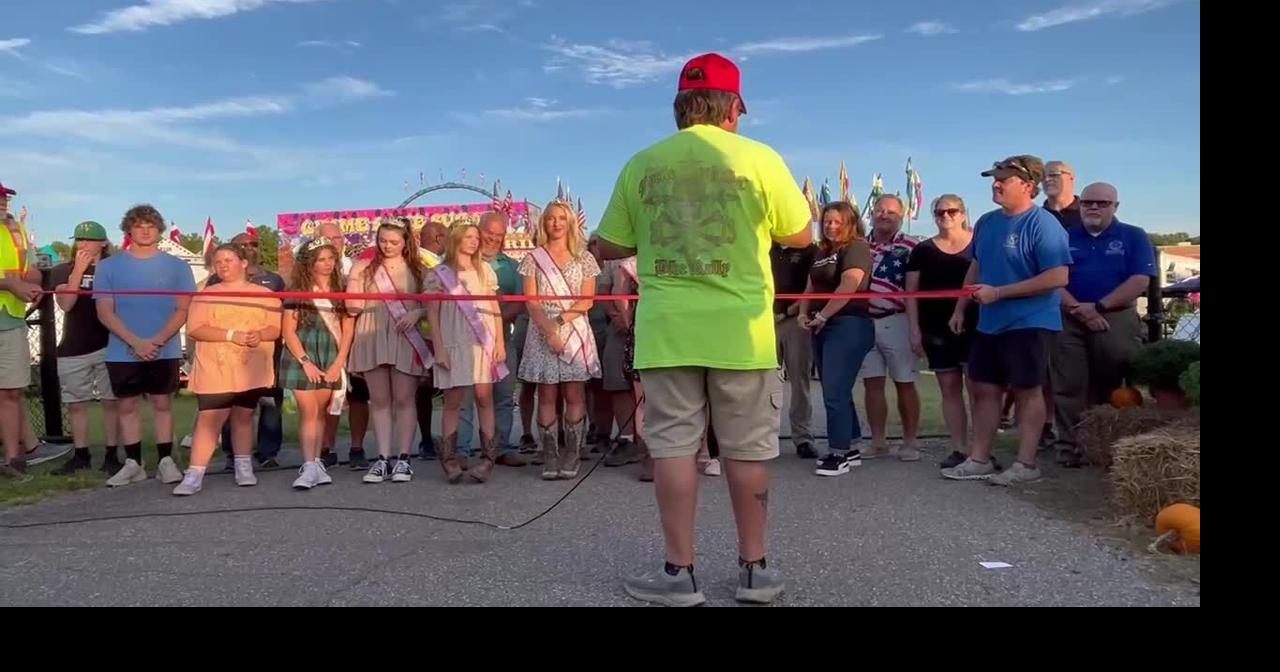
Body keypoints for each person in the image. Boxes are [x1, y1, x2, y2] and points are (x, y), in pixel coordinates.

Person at [597, 53, 813, 606]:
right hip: (742, 331)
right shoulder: (760, 159)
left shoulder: (643, 162)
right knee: (747, 451)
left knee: (673, 449)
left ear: (680, 107)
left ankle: (679, 573)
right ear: (733, 107)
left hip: (669, 329)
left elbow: (611, 244)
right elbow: (800, 234)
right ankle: (754, 570)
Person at [942, 155, 1072, 486]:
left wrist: (999, 293)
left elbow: (1058, 276)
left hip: (1031, 321)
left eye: (1004, 179)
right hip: (989, 322)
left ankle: (1026, 464)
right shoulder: (987, 222)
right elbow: (976, 266)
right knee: (984, 388)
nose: (996, 184)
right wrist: (960, 307)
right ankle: (980, 459)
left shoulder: (1044, 224)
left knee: (1027, 390)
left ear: (1028, 185)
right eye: (994, 179)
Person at [1052, 182, 1156, 466]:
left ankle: (1112, 446)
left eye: (1102, 203)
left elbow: (1139, 281)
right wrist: (1080, 310)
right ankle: (1069, 447)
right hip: (1069, 315)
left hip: (1115, 316)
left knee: (1115, 383)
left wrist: (1099, 307)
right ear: (1080, 205)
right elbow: (1053, 278)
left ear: (1115, 206)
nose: (1094, 207)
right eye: (1088, 202)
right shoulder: (1064, 237)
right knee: (1068, 384)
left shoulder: (1133, 235)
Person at [95, 204, 196, 487]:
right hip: (122, 350)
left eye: (150, 225)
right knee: (127, 406)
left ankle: (166, 461)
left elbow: (183, 309)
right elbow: (104, 311)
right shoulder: (108, 267)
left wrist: (157, 341)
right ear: (129, 230)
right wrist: (135, 342)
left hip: (164, 348)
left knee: (162, 403)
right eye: (139, 226)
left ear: (159, 230)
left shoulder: (178, 267)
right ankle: (133, 463)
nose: (145, 231)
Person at [172, 244, 282, 495]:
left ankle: (243, 466)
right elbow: (196, 328)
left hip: (250, 368)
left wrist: (259, 335)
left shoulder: (265, 294)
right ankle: (194, 474)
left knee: (244, 416)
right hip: (215, 368)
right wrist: (232, 335)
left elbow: (275, 329)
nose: (222, 265)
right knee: (210, 419)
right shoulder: (205, 294)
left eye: (228, 260)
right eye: (218, 261)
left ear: (243, 263)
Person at [519, 201, 600, 480]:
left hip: (573, 328)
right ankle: (550, 454)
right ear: (544, 222)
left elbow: (587, 300)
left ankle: (572, 453)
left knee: (574, 393)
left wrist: (559, 324)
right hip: (541, 329)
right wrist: (548, 330)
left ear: (570, 223)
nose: (556, 223)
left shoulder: (584, 258)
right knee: (546, 395)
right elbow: (531, 300)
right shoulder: (533, 258)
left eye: (562, 218)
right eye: (551, 218)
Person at [348, 221, 429, 484]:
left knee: (404, 399)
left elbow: (435, 304)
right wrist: (354, 275)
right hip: (372, 335)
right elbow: (352, 307)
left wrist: (419, 312)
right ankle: (383, 458)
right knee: (379, 400)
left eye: (394, 242)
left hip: (405, 336)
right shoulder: (365, 268)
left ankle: (404, 458)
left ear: (406, 242)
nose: (387, 246)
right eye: (383, 240)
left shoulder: (419, 269)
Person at [426, 223, 506, 483]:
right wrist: (439, 348)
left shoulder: (485, 270)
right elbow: (432, 314)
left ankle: (488, 459)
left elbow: (494, 308)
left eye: (476, 237)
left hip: (482, 342)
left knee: (484, 397)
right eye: (469, 237)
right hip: (453, 340)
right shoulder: (438, 274)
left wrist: (500, 342)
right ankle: (449, 459)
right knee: (453, 400)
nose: (474, 241)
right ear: (457, 239)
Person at [906, 195, 982, 469]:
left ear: (963, 213)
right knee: (949, 388)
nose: (946, 216)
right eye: (940, 212)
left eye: (952, 211)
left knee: (978, 389)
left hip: (976, 325)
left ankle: (981, 449)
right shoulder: (922, 250)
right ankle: (959, 448)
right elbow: (910, 293)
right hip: (936, 328)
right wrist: (914, 330)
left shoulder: (979, 245)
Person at [800, 202, 875, 477]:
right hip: (822, 325)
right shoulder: (822, 252)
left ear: (849, 223)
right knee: (836, 388)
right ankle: (852, 445)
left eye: (837, 222)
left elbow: (849, 284)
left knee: (834, 391)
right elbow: (810, 286)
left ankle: (838, 453)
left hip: (848, 324)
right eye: (827, 221)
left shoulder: (856, 248)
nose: (831, 226)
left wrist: (824, 315)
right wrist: (803, 313)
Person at [49, 221, 126, 475]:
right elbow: (66, 304)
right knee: (76, 403)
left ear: (103, 243)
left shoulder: (114, 269)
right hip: (74, 345)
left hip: (109, 343)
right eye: (79, 240)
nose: (83, 245)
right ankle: (81, 455)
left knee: (110, 401)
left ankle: (112, 454)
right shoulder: (63, 270)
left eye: (89, 240)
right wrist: (78, 271)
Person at [279, 238, 354, 489]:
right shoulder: (297, 291)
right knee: (308, 412)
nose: (327, 264)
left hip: (330, 354)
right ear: (309, 262)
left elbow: (348, 330)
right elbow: (288, 331)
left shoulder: (342, 290)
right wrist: (305, 362)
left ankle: (317, 463)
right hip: (301, 355)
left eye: (331, 259)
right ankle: (308, 465)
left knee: (321, 413)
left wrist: (338, 362)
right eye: (321, 259)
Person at [207, 231, 285, 469]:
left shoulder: (273, 280)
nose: (250, 247)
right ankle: (234, 455)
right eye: (243, 245)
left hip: (265, 352)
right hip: (230, 352)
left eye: (254, 244)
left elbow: (281, 316)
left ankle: (268, 453)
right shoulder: (215, 281)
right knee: (232, 405)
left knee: (270, 404)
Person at [456, 212, 527, 467]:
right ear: (479, 230)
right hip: (465, 341)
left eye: (499, 235)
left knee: (503, 396)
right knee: (464, 398)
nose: (494, 239)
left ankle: (501, 448)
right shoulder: (457, 264)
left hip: (501, 340)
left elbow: (519, 303)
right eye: (489, 233)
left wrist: (494, 326)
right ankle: (461, 451)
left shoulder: (512, 267)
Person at [860, 194, 922, 461]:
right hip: (864, 322)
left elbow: (917, 288)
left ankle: (910, 442)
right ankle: (878, 442)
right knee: (872, 384)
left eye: (891, 212)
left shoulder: (913, 246)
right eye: (880, 210)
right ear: (872, 213)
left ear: (902, 216)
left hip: (897, 319)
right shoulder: (859, 245)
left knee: (904, 382)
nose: (884, 215)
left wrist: (916, 328)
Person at [313, 222, 370, 469]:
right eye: (328, 239)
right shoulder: (310, 272)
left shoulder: (357, 267)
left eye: (337, 238)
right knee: (329, 396)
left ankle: (357, 447)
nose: (334, 243)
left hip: (357, 339)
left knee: (358, 396)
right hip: (327, 342)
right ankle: (328, 447)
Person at [0, 181, 43, 480]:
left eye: (5, 197)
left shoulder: (18, 231)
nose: (3, 201)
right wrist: (10, 285)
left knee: (11, 392)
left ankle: (13, 460)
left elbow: (31, 269)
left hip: (11, 319)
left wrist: (33, 283)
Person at [771, 236, 819, 460]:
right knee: (764, 382)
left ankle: (803, 438)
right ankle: (764, 437)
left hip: (795, 320)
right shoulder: (762, 245)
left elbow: (813, 287)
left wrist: (787, 311)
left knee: (800, 380)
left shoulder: (809, 250)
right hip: (763, 321)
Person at [602, 256, 649, 475]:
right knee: (624, 385)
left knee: (650, 395)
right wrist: (624, 318)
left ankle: (655, 453)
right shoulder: (619, 261)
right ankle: (633, 442)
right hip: (628, 327)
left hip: (652, 327)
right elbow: (612, 293)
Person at [415, 219, 446, 460]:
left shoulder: (416, 260)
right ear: (439, 239)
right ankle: (430, 440)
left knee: (425, 390)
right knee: (427, 389)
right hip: (427, 334)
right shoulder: (424, 264)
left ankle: (429, 439)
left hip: (428, 332)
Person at [1043, 161, 1083, 228]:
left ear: (1071, 178)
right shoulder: (1037, 217)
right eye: (1042, 176)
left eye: (1053, 175)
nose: (1047, 179)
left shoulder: (1087, 213)